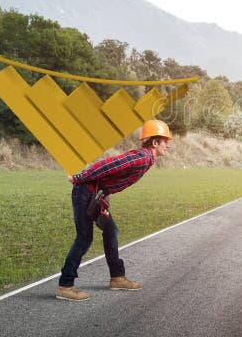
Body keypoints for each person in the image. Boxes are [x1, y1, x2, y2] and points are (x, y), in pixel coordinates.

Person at [56, 119, 172, 301]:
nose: (168, 145)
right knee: (84, 238)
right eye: (166, 141)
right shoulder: (142, 157)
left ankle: (117, 278)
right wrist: (79, 178)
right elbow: (109, 165)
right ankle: (65, 285)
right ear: (155, 142)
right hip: (85, 192)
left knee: (111, 230)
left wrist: (103, 196)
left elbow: (111, 177)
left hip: (95, 195)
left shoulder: (147, 159)